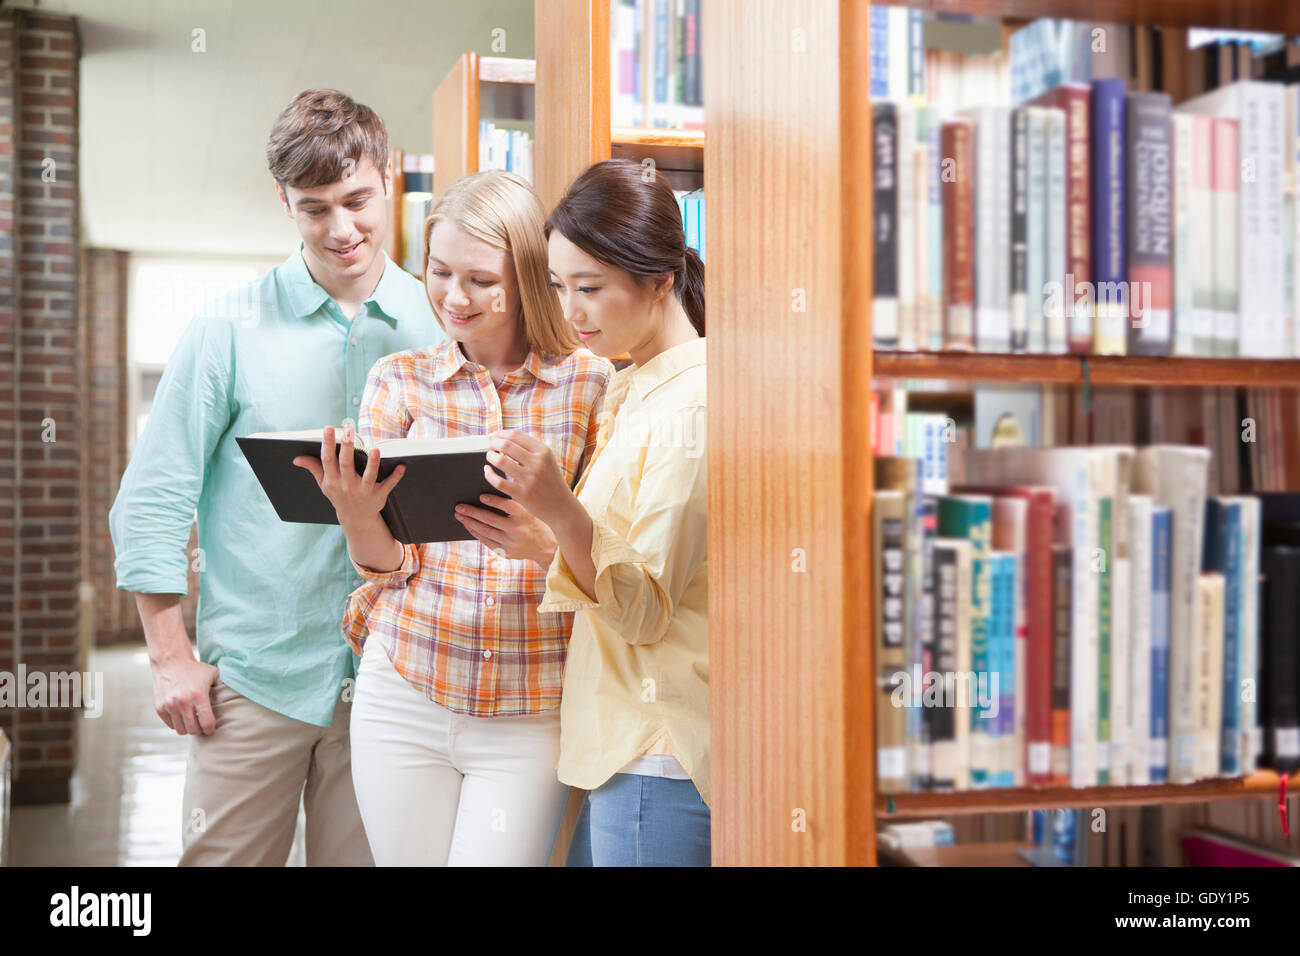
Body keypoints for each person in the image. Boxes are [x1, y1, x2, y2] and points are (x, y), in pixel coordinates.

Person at [108, 89, 443, 865]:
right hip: (256, 677)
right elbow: (153, 498)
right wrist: (169, 657)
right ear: (284, 203)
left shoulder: (439, 325)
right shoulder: (225, 330)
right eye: (313, 207)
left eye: (357, 200)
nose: (341, 229)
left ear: (388, 178)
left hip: (396, 684)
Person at [293, 170, 612, 866]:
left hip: (530, 708)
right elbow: (386, 566)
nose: (453, 298)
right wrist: (356, 514)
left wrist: (540, 545)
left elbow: (608, 563)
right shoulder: (398, 381)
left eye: (479, 279)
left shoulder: (591, 384)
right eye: (439, 273)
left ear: (527, 276)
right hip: (404, 687)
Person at [470, 159, 710, 866]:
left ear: (659, 281)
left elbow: (646, 611)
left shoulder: (693, 405)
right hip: (617, 748)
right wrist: (545, 538)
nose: (570, 311)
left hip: (655, 750)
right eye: (557, 286)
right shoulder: (631, 387)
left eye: (591, 288)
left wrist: (560, 509)